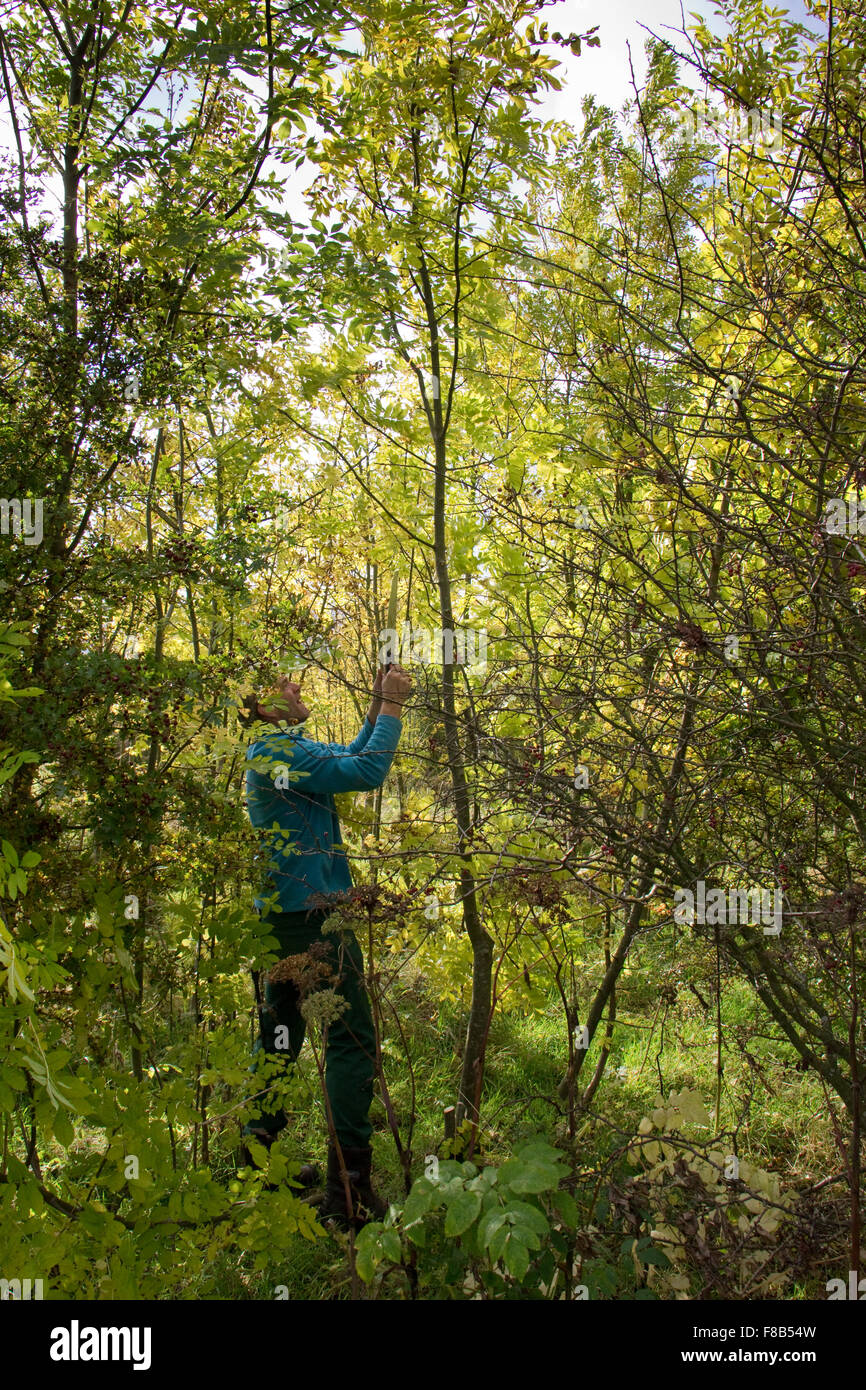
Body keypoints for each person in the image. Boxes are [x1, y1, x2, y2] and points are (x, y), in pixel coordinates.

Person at [238, 662, 412, 1228]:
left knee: (281, 1037)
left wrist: (373, 713)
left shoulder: (281, 750)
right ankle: (349, 1190)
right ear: (263, 709)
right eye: (281, 686)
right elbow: (366, 772)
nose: (295, 687)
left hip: (282, 919)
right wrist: (393, 704)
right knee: (351, 1040)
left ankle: (258, 1166)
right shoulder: (278, 752)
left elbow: (349, 757)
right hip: (313, 920)